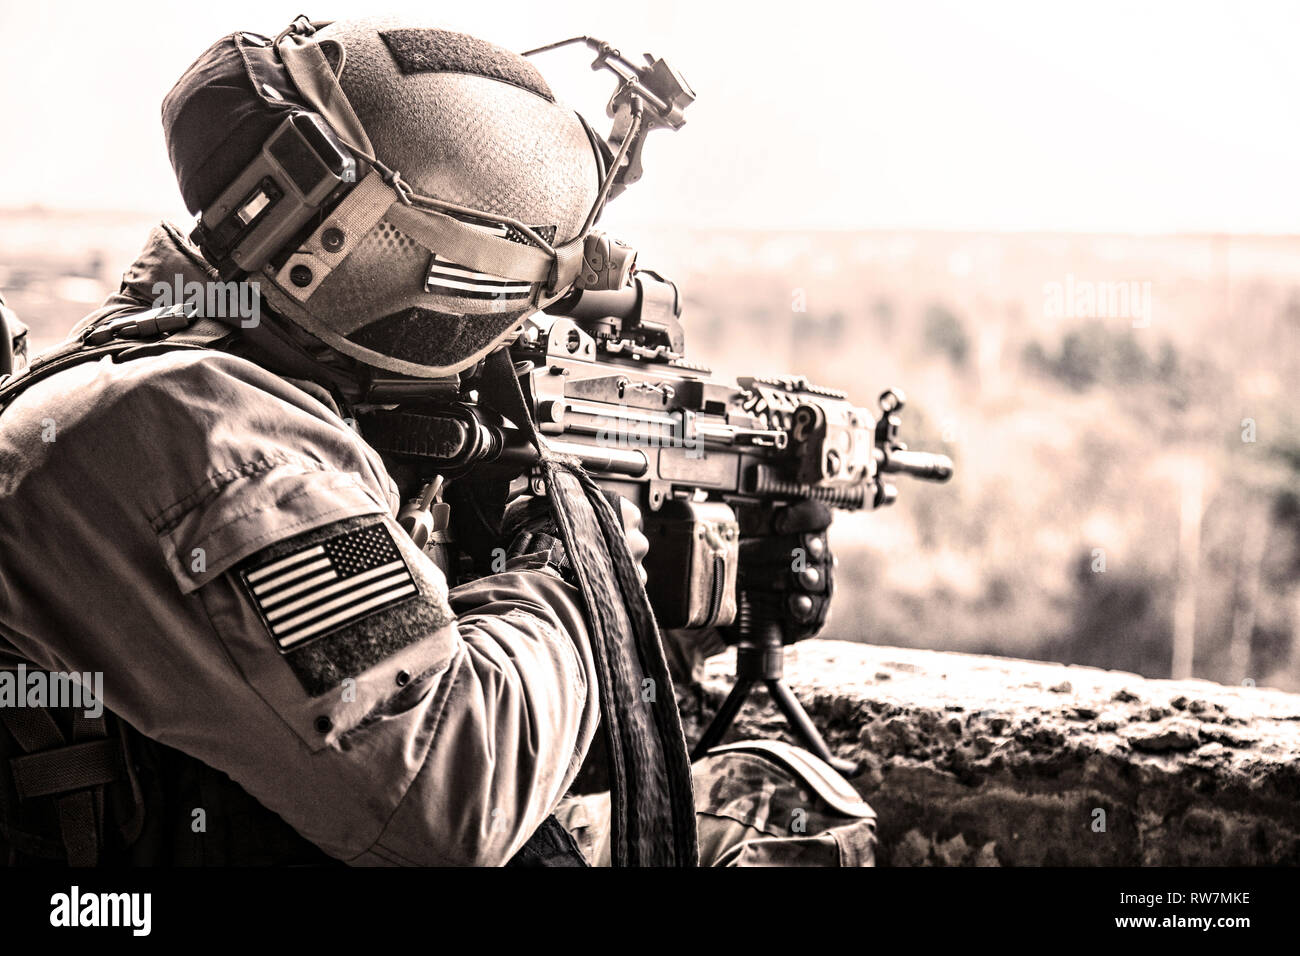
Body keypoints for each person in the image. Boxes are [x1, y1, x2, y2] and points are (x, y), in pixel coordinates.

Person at [0, 15, 874, 867]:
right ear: (434, 283)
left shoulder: (161, 365)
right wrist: (584, 580)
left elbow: (345, 682)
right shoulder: (217, 442)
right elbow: (451, 795)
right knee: (788, 818)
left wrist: (677, 625)